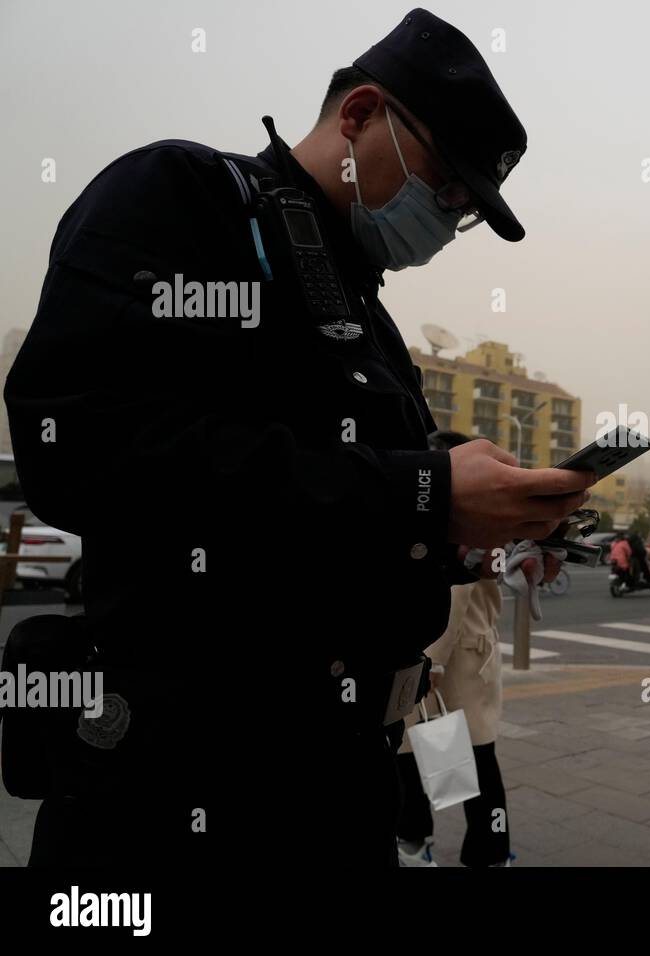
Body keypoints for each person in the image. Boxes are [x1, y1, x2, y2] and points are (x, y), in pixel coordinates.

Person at [4, 9, 593, 867]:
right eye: (446, 183)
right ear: (358, 114)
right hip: (186, 789)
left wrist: (478, 522)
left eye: (465, 208)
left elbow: (356, 518)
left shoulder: (366, 307)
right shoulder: (184, 197)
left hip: (344, 775)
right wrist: (422, 491)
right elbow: (82, 445)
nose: (448, 214)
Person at [395, 429, 513, 867]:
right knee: (437, 756)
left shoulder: (464, 519)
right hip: (461, 656)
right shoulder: (473, 515)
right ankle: (424, 839)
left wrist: (434, 662)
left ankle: (479, 849)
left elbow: (455, 595)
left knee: (473, 761)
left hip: (454, 658)